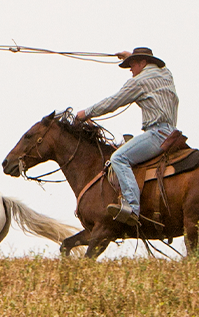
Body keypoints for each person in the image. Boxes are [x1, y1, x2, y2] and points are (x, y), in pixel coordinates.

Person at [75, 47, 179, 226]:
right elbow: (148, 66)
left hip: (157, 133)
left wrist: (86, 113)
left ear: (142, 63)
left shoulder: (138, 82)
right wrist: (132, 57)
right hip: (171, 132)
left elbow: (113, 102)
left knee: (119, 157)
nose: (130, 70)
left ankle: (132, 207)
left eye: (132, 65)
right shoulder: (166, 74)